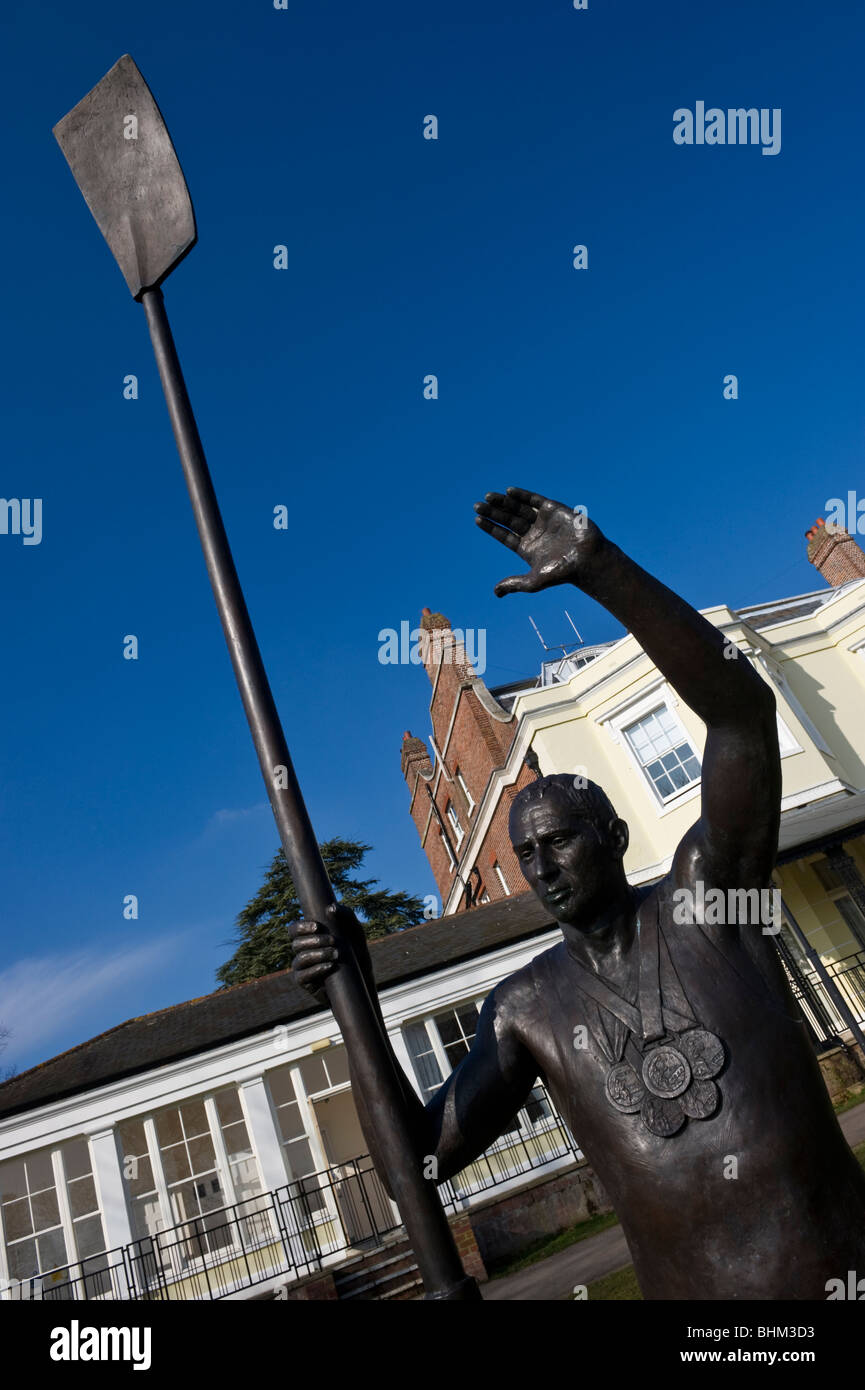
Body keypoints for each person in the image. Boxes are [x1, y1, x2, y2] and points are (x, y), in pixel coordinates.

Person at [291, 488, 865, 1299]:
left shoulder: (707, 899)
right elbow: (415, 1164)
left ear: (614, 838)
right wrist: (353, 1009)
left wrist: (603, 572)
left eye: (558, 839)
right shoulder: (525, 1009)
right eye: (524, 853)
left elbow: (740, 715)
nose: (540, 865)